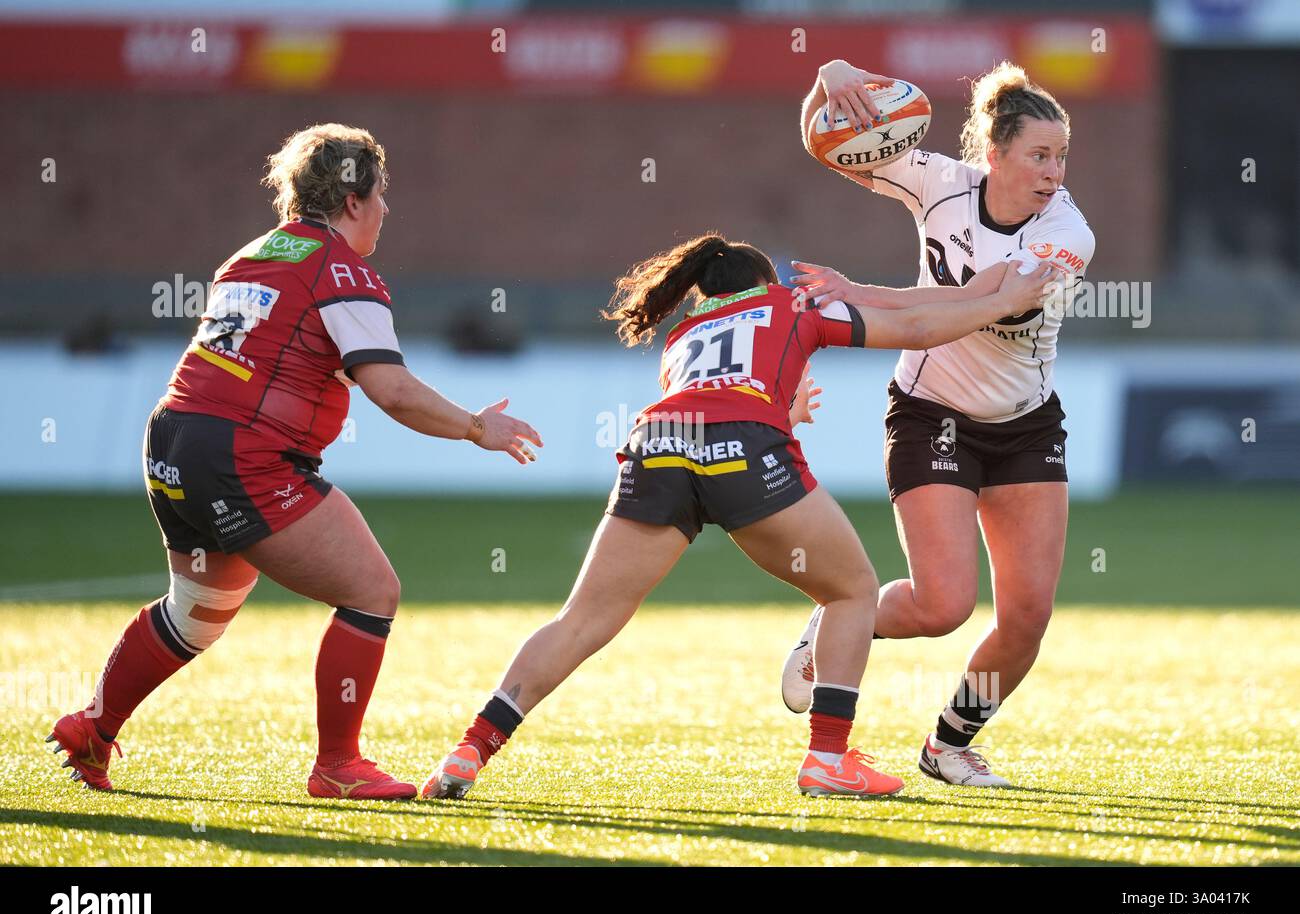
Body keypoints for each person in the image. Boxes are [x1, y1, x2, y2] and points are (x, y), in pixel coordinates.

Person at [422, 232, 1052, 800]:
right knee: (852, 590)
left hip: (659, 446)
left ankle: (468, 751)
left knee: (583, 619)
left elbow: (724, 384)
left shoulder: (680, 336)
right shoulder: (791, 305)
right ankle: (828, 759)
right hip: (743, 449)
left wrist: (778, 408)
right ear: (766, 284)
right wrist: (1002, 300)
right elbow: (913, 327)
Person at [47, 123, 542, 800]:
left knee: (196, 612)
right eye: (381, 195)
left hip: (171, 438)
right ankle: (337, 767)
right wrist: (476, 426)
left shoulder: (252, 255)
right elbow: (391, 389)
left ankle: (92, 728)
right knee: (372, 592)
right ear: (352, 200)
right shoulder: (344, 270)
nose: (387, 211)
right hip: (242, 454)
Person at [781, 60, 1096, 788]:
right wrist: (829, 80)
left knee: (1025, 618)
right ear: (996, 155)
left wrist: (857, 298)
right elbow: (826, 142)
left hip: (1025, 424)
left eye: (1061, 157)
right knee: (941, 605)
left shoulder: (1066, 234)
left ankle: (948, 744)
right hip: (932, 416)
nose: (1054, 172)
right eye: (1038, 156)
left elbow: (952, 316)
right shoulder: (939, 181)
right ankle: (833, 625)